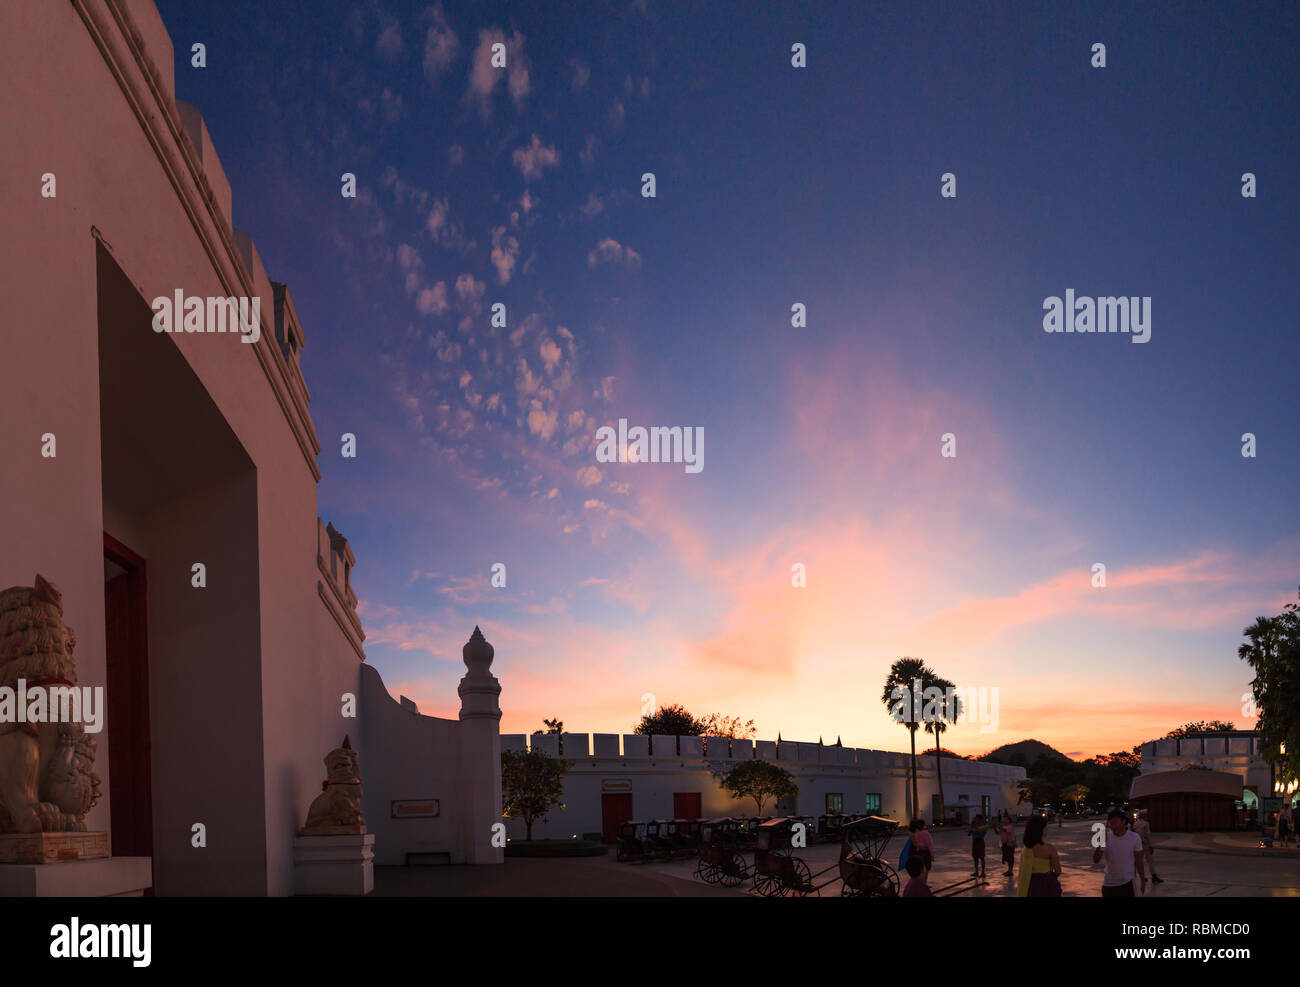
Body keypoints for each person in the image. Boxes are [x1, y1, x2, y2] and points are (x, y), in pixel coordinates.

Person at [1094, 807, 1146, 897]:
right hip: (1109, 885)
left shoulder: (1134, 837)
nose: (1113, 826)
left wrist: (1142, 879)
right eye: (1111, 823)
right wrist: (1101, 843)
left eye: (1115, 822)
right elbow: (1096, 860)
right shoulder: (1105, 838)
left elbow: (1139, 861)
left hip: (1128, 883)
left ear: (1123, 822)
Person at [1016, 814, 1061, 897]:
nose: (1047, 829)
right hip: (1048, 887)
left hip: (1032, 887)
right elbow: (1058, 871)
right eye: (1045, 827)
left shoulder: (1026, 849)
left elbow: (1023, 874)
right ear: (1040, 830)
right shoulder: (1050, 849)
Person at [1132, 809, 1162, 884]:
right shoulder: (1146, 824)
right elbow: (1148, 835)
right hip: (1145, 844)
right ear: (1144, 816)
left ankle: (1141, 876)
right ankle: (1153, 876)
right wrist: (1150, 846)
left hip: (1137, 844)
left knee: (1139, 861)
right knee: (1150, 861)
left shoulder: (1135, 823)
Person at [968, 813, 989, 878]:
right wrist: (971, 829)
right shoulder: (974, 825)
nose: (976, 820)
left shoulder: (983, 826)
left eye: (977, 819)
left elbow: (982, 834)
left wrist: (975, 830)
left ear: (980, 820)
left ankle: (983, 872)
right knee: (975, 857)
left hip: (980, 841)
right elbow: (969, 834)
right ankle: (976, 872)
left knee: (982, 858)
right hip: (975, 841)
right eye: (976, 819)